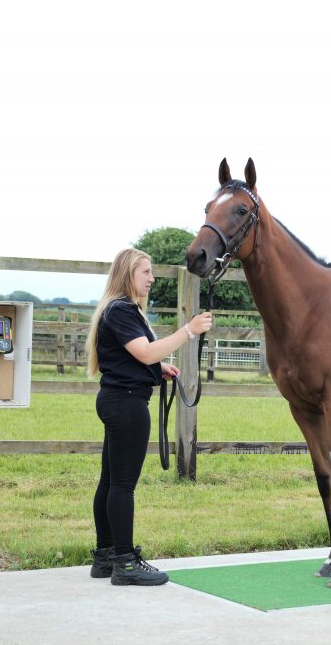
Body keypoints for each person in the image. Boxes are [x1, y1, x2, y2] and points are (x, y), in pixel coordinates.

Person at [84, 248, 213, 586]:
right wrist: (189, 330)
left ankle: (106, 556)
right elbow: (143, 351)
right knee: (122, 485)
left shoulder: (118, 309)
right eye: (146, 272)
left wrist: (158, 368)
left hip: (118, 399)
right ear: (128, 274)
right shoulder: (122, 310)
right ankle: (125, 562)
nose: (152, 278)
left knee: (110, 481)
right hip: (126, 404)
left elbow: (134, 356)